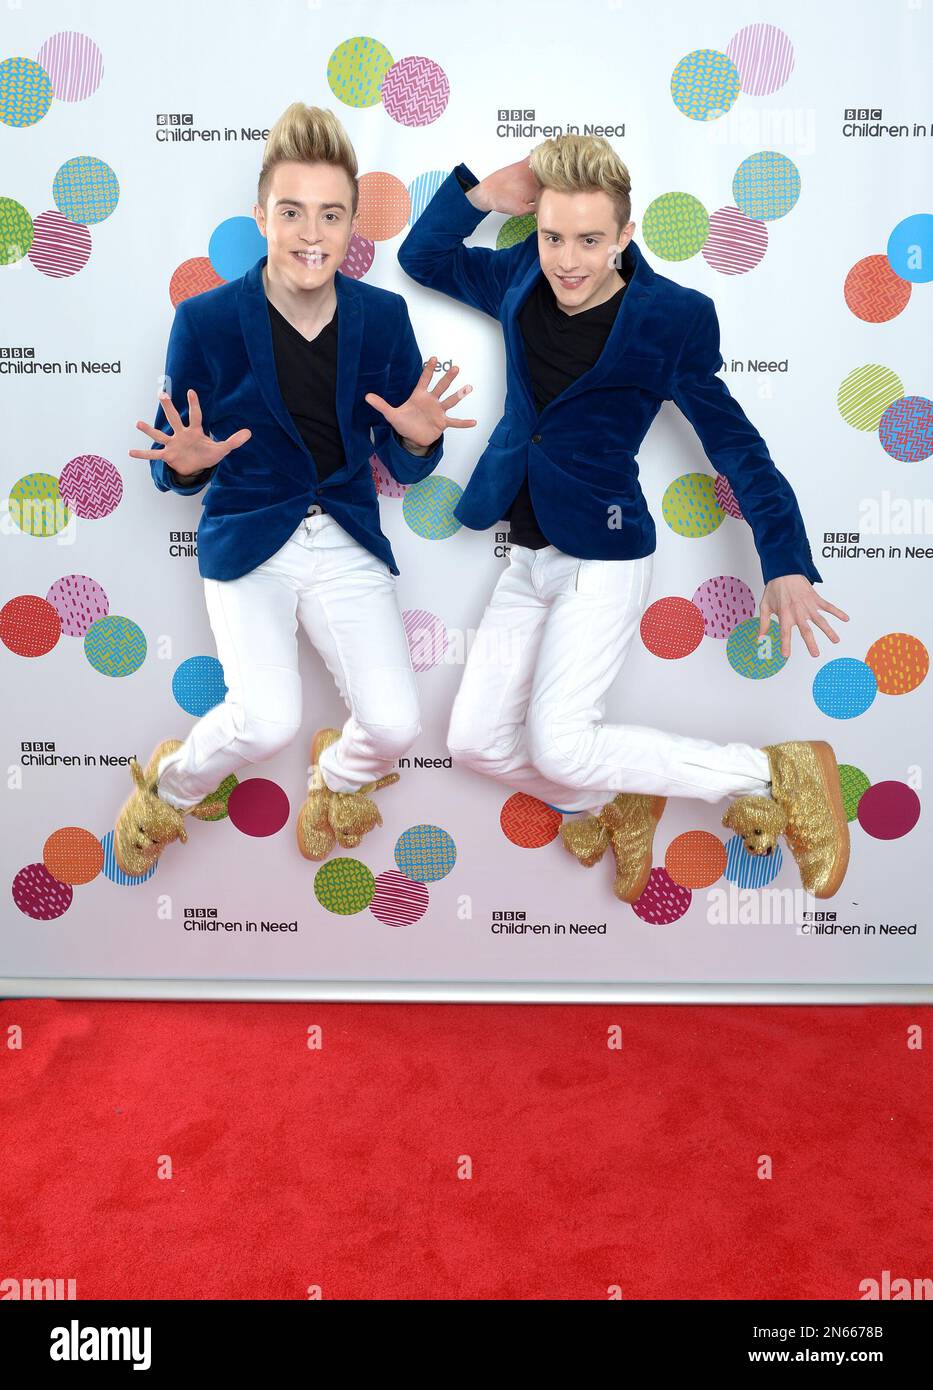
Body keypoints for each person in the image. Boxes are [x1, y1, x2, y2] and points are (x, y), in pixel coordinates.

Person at [397, 137, 850, 901]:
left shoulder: (670, 319)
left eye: (588, 240)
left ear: (623, 237)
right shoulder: (517, 277)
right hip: (527, 552)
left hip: (603, 554)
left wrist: (785, 559)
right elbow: (424, 257)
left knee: (563, 744)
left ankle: (773, 771)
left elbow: (735, 448)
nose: (566, 260)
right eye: (551, 236)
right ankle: (612, 800)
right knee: (472, 742)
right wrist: (477, 196)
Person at [113, 103, 475, 878]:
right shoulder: (204, 322)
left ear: (350, 228)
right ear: (261, 218)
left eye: (331, 215)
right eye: (292, 212)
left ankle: (335, 780)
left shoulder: (384, 318)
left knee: (394, 724)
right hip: (248, 538)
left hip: (343, 535)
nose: (312, 233)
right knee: (265, 719)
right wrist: (186, 462)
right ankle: (166, 790)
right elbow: (169, 465)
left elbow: (406, 462)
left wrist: (417, 439)